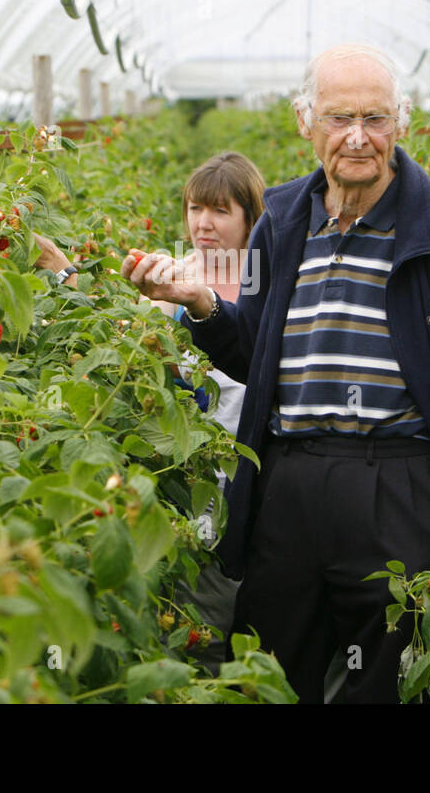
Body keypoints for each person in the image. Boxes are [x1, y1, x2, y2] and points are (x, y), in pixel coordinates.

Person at [121, 43, 430, 703]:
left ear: (401, 124)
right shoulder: (280, 224)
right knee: (272, 676)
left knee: (385, 685)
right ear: (305, 122)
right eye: (340, 118)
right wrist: (204, 308)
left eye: (375, 117)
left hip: (399, 490)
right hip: (290, 485)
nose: (358, 137)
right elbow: (254, 352)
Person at [149, 151, 266, 675]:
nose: (203, 223)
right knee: (205, 614)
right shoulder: (177, 278)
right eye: (195, 208)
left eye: (220, 210)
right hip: (199, 472)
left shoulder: (270, 284)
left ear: (250, 217)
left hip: (264, 467)